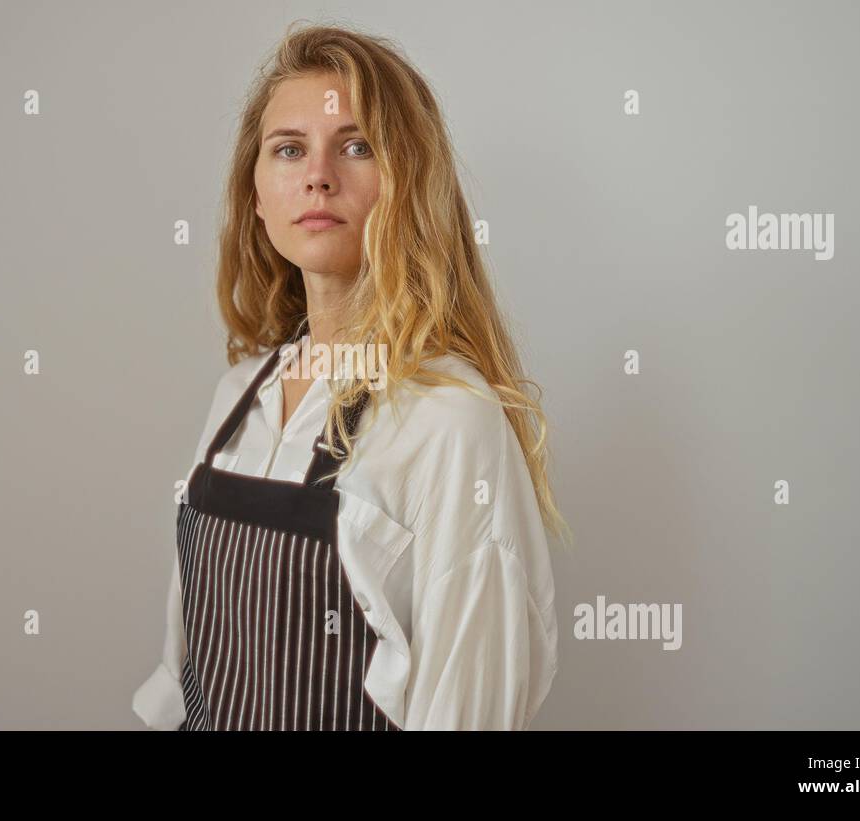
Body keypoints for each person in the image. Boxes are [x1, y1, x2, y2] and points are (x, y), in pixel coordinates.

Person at [133, 22, 573, 731]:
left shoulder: (450, 418)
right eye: (288, 149)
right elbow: (185, 678)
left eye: (356, 146)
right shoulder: (235, 398)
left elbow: (465, 712)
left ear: (408, 183)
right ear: (255, 195)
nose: (318, 175)